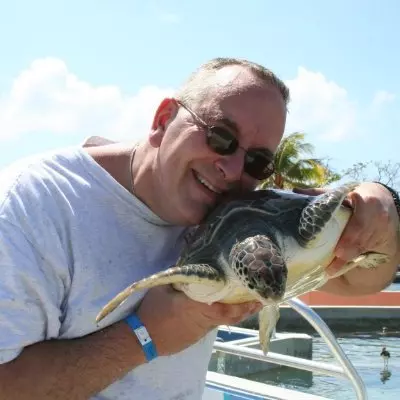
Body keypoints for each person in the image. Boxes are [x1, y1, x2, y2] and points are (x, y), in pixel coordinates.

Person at [0, 57, 398, 400]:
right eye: (220, 136)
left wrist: (380, 207)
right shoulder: (32, 205)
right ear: (163, 119)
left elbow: (364, 279)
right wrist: (147, 335)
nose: (232, 169)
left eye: (258, 162)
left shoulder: (234, 211)